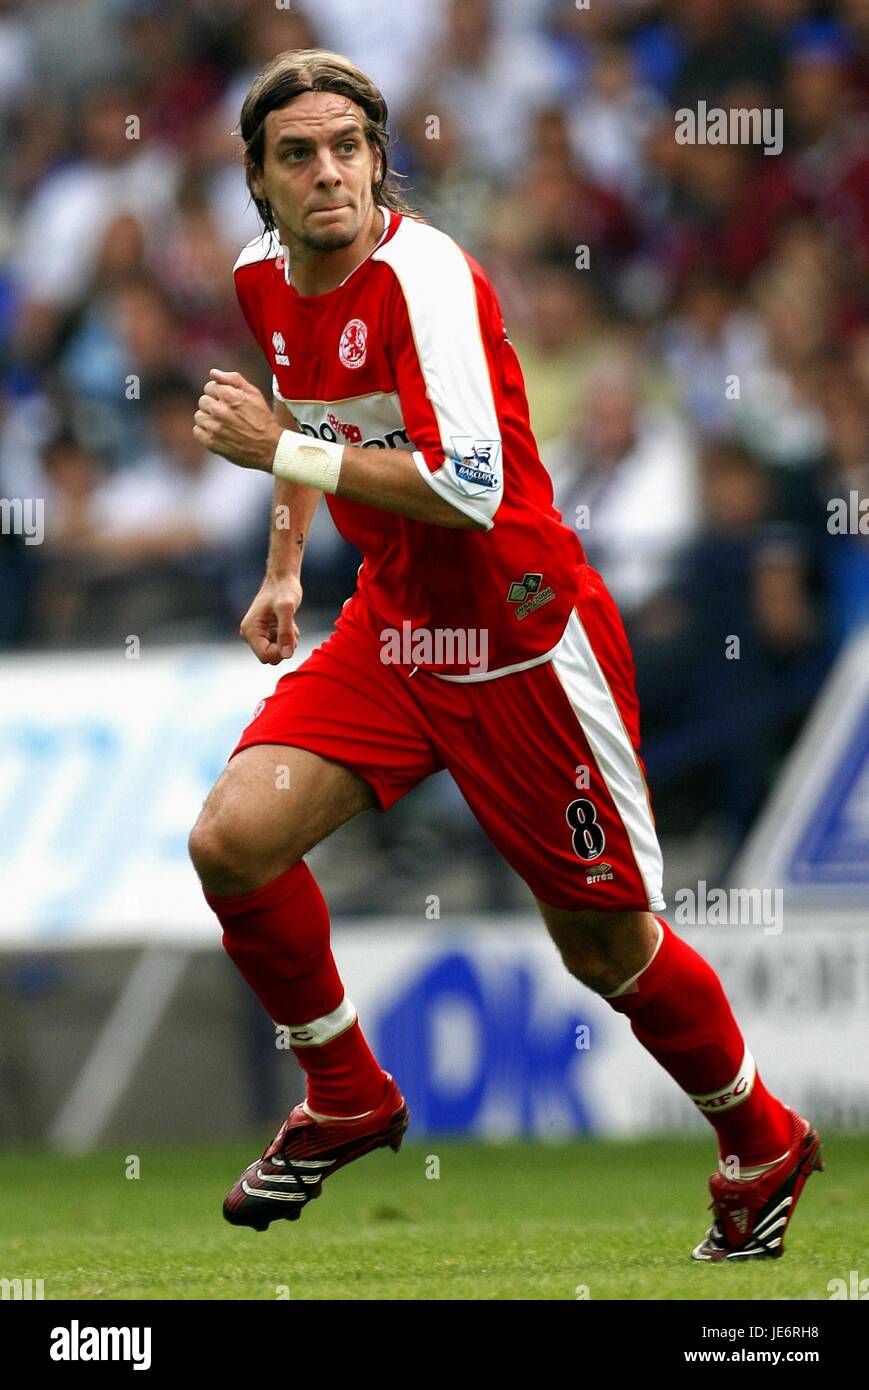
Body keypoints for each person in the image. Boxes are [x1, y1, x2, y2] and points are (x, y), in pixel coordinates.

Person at [186, 49, 822, 1260]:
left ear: (378, 159)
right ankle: (347, 1094)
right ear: (258, 183)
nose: (329, 174)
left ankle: (759, 1138)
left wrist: (279, 451)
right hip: (394, 627)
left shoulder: (423, 275)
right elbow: (312, 419)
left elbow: (467, 489)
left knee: (602, 944)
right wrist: (283, 565)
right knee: (231, 838)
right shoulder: (259, 277)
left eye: (348, 149)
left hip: (521, 637)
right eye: (297, 155)